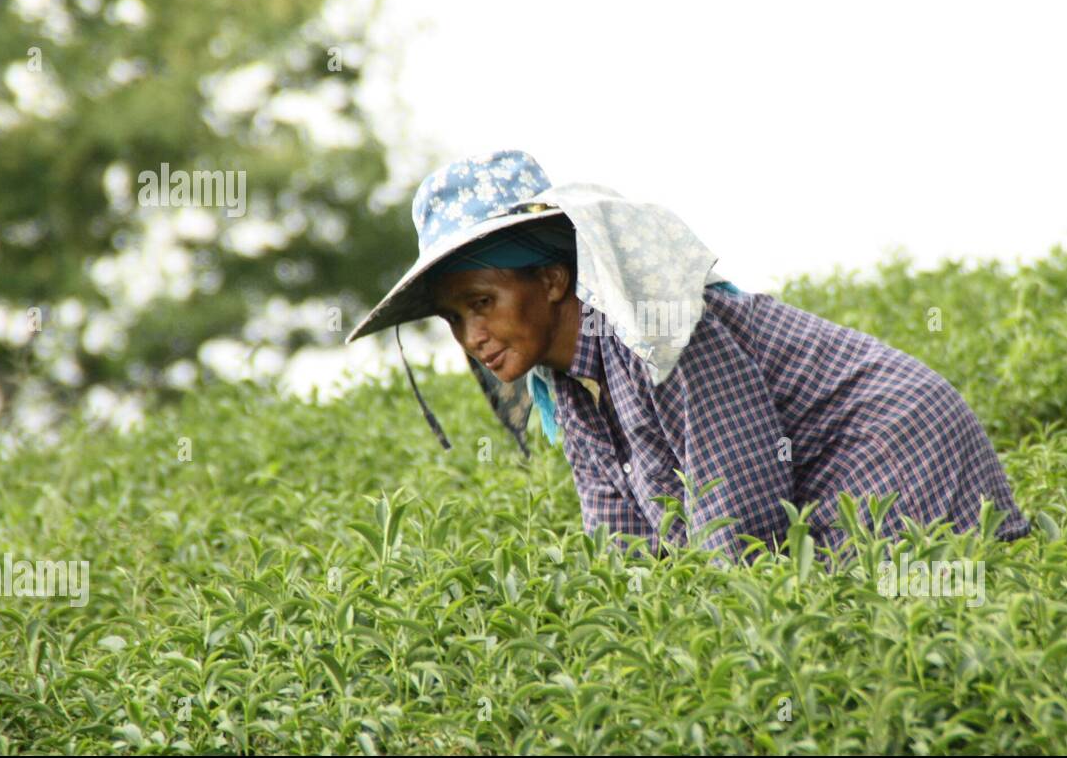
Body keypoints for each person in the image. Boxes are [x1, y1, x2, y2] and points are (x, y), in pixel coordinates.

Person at [347, 149, 1030, 566]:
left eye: (481, 302)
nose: (471, 337)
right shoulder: (571, 385)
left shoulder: (661, 332)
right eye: (455, 317)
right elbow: (624, 545)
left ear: (552, 281)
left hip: (893, 450)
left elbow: (742, 517)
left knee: (840, 624)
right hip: (821, 486)